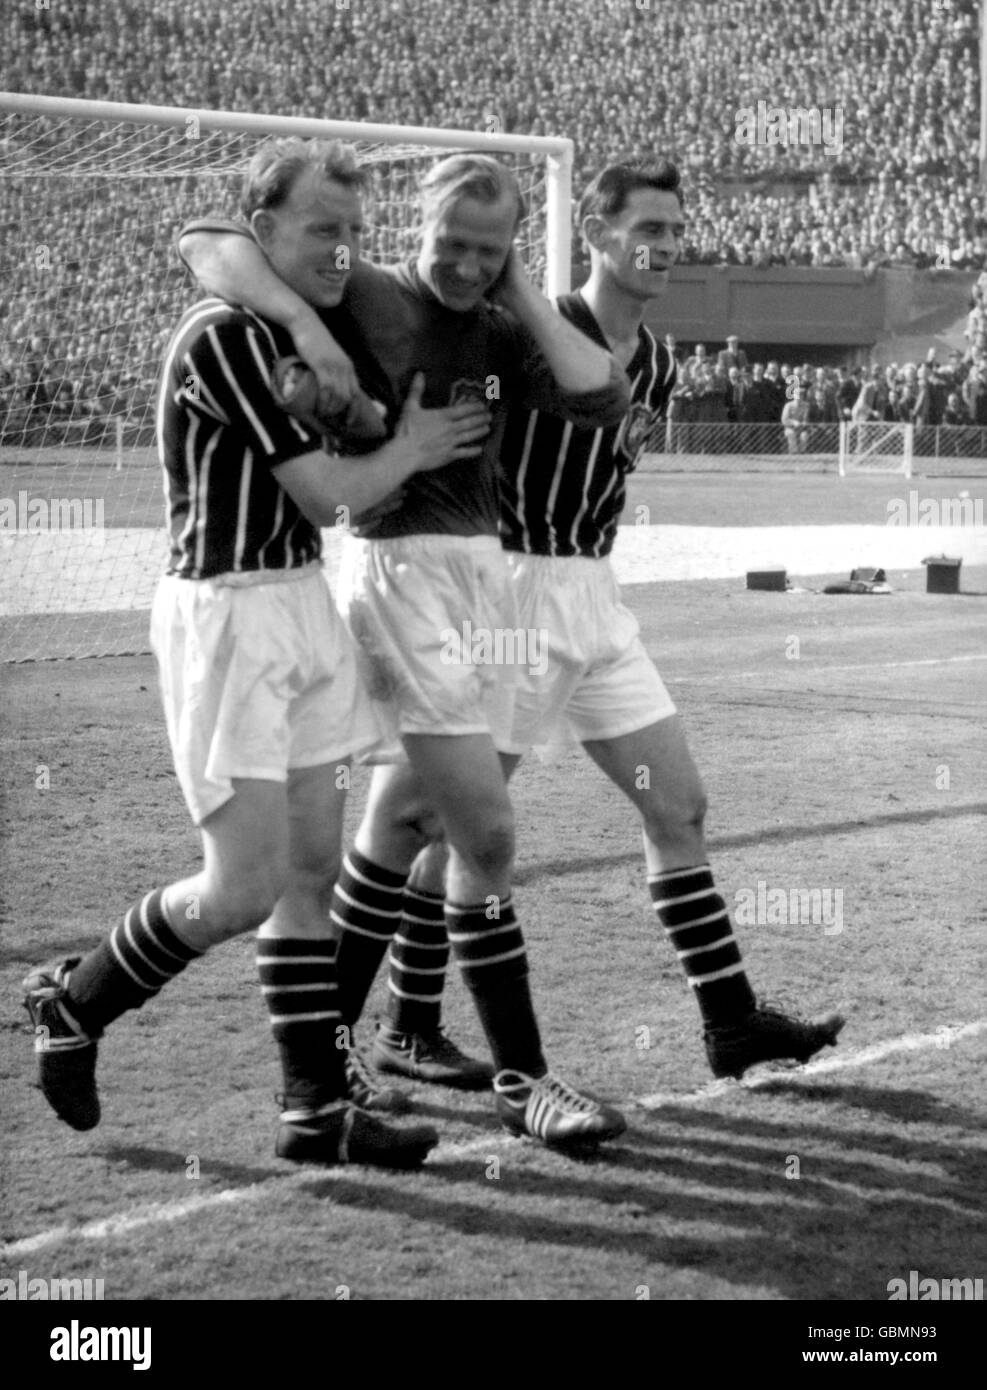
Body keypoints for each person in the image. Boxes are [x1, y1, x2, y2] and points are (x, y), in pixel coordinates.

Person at [22, 137, 501, 1170]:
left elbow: (341, 452)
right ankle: (74, 999)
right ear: (263, 225)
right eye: (322, 228)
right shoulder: (223, 336)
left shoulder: (309, 327)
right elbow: (328, 496)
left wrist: (358, 394)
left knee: (313, 876)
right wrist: (410, 448)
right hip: (228, 613)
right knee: (241, 886)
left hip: (301, 602)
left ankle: (315, 1109)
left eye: (354, 232)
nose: (342, 251)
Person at [179, 153, 633, 1148]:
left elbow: (600, 392)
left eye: (487, 248)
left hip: (481, 577)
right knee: (490, 834)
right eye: (450, 243)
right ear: (411, 230)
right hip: (395, 580)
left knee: (401, 827)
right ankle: (525, 1081)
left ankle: (327, 1067)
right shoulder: (370, 296)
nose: (465, 265)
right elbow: (207, 242)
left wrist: (514, 279)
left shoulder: (499, 325)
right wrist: (305, 327)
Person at [368, 161, 844, 1089]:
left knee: (678, 806)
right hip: (509, 592)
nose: (661, 246)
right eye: (645, 228)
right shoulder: (529, 333)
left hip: (594, 597)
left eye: (673, 230)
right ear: (593, 230)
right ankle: (406, 1025)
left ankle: (730, 1025)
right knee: (449, 822)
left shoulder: (658, 361)